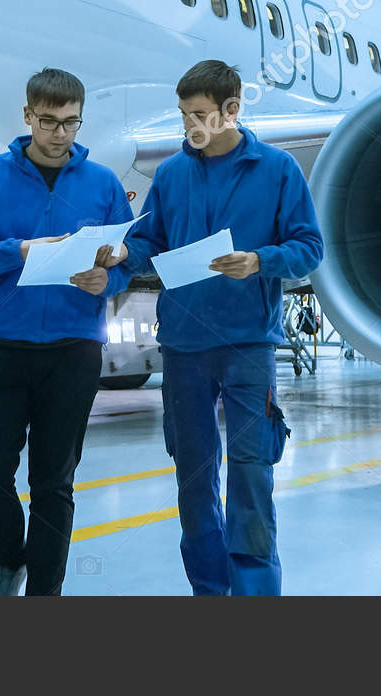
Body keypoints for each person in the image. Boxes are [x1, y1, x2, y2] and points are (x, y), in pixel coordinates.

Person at [102, 60, 323, 595]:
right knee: (194, 477)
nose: (190, 127)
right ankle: (208, 588)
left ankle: (254, 594)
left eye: (199, 115)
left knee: (252, 473)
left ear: (232, 109)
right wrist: (125, 253)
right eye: (183, 116)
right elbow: (151, 241)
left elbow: (308, 248)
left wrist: (260, 260)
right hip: (183, 346)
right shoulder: (173, 173)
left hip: (248, 344)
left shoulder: (277, 170)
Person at [0, 68, 133, 596]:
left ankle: (44, 591)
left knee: (54, 480)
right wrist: (19, 249)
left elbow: (124, 258)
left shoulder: (103, 184)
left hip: (74, 349)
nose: (60, 134)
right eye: (48, 122)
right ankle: (10, 557)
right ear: (27, 116)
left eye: (70, 123)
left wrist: (106, 279)